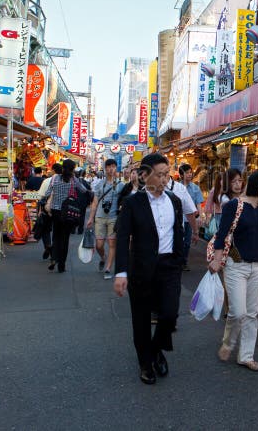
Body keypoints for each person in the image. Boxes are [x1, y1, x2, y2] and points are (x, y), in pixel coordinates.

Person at [113, 153, 184, 385]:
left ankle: (156, 350)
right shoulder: (133, 203)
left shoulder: (174, 201)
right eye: (160, 175)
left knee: (170, 314)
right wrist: (121, 272)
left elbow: (178, 232)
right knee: (141, 319)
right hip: (141, 268)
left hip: (169, 267)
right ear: (145, 176)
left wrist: (179, 260)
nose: (165, 179)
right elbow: (122, 238)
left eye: (167, 175)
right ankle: (145, 362)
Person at [209, 171, 258, 372]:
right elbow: (222, 235)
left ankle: (246, 356)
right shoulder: (233, 206)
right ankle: (228, 343)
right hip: (236, 265)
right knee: (238, 312)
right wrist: (217, 260)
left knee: (252, 314)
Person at [43, 159, 90, 273]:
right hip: (68, 212)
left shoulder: (55, 178)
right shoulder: (73, 180)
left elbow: (47, 193)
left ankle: (54, 258)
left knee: (56, 236)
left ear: (62, 167)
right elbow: (84, 190)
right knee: (65, 239)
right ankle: (62, 265)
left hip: (55, 211)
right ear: (72, 169)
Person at [91, 159, 124, 278]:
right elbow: (95, 202)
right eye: (109, 166)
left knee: (112, 244)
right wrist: (90, 218)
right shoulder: (99, 184)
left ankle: (108, 268)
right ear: (105, 169)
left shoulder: (121, 185)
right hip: (100, 217)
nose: (111, 169)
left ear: (116, 168)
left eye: (113, 166)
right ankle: (103, 257)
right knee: (99, 245)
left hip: (113, 218)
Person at [178, 163, 202, 271]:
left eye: (190, 172)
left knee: (187, 242)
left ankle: (184, 262)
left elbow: (198, 204)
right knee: (178, 241)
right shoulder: (176, 187)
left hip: (189, 220)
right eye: (187, 173)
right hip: (178, 219)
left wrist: (199, 216)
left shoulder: (195, 188)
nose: (189, 174)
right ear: (181, 175)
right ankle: (177, 261)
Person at [37, 163, 62, 261]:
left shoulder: (47, 181)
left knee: (46, 230)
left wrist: (39, 210)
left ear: (54, 170)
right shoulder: (65, 181)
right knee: (57, 231)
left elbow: (41, 197)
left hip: (46, 209)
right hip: (59, 210)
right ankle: (55, 250)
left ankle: (48, 245)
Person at [203, 170, 226, 238]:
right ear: (219, 181)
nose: (225, 181)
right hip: (217, 216)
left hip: (227, 215)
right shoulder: (214, 190)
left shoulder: (228, 190)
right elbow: (208, 205)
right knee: (217, 236)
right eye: (223, 179)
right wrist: (207, 219)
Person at [74, 168, 93, 235]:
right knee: (82, 216)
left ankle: (73, 229)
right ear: (84, 175)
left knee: (74, 214)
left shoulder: (75, 182)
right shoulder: (86, 183)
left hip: (75, 201)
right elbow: (89, 193)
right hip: (83, 202)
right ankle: (80, 230)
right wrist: (88, 202)